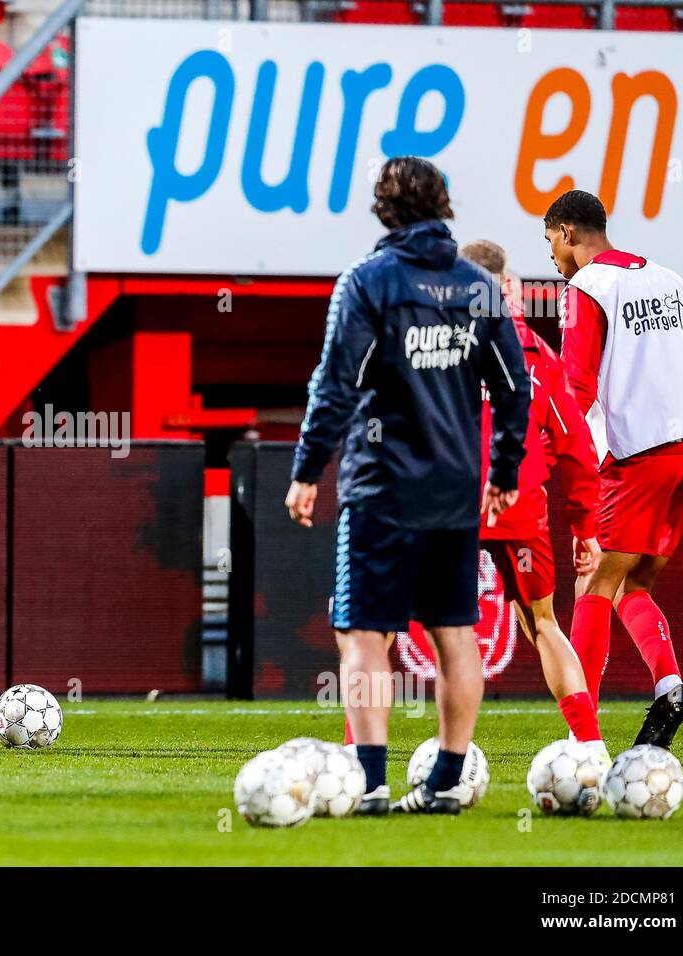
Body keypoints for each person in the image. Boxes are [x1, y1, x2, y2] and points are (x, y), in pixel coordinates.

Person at [287, 157, 530, 814]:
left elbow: (335, 386)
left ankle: (370, 781)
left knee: (364, 634)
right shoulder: (478, 285)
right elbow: (515, 387)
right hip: (454, 488)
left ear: (383, 210)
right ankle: (449, 780)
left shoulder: (366, 282)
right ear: (443, 205)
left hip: (381, 490)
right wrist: (504, 473)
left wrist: (308, 470)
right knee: (454, 631)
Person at [547, 189, 683, 748]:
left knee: (593, 581)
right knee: (635, 582)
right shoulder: (671, 280)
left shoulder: (586, 288)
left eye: (550, 240)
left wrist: (554, 455)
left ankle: (585, 735)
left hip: (642, 456)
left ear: (569, 233)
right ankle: (670, 686)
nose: (551, 255)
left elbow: (576, 386)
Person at [460, 241, 607, 756]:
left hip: (442, 505)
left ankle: (359, 760)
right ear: (509, 289)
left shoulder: (430, 347)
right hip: (518, 505)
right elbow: (577, 450)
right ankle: (590, 748)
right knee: (543, 623)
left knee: (383, 625)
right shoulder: (540, 360)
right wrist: (584, 527)